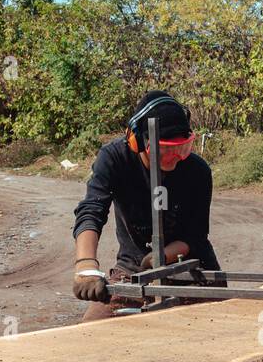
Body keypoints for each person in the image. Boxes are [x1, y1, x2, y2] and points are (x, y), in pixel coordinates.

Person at [71, 91, 220, 321]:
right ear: (138, 142)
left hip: (194, 267)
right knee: (92, 330)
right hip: (134, 270)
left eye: (181, 149)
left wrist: (164, 257)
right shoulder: (114, 159)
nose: (174, 158)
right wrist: (86, 265)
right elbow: (91, 210)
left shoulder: (198, 171)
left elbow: (196, 235)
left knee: (221, 328)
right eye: (164, 150)